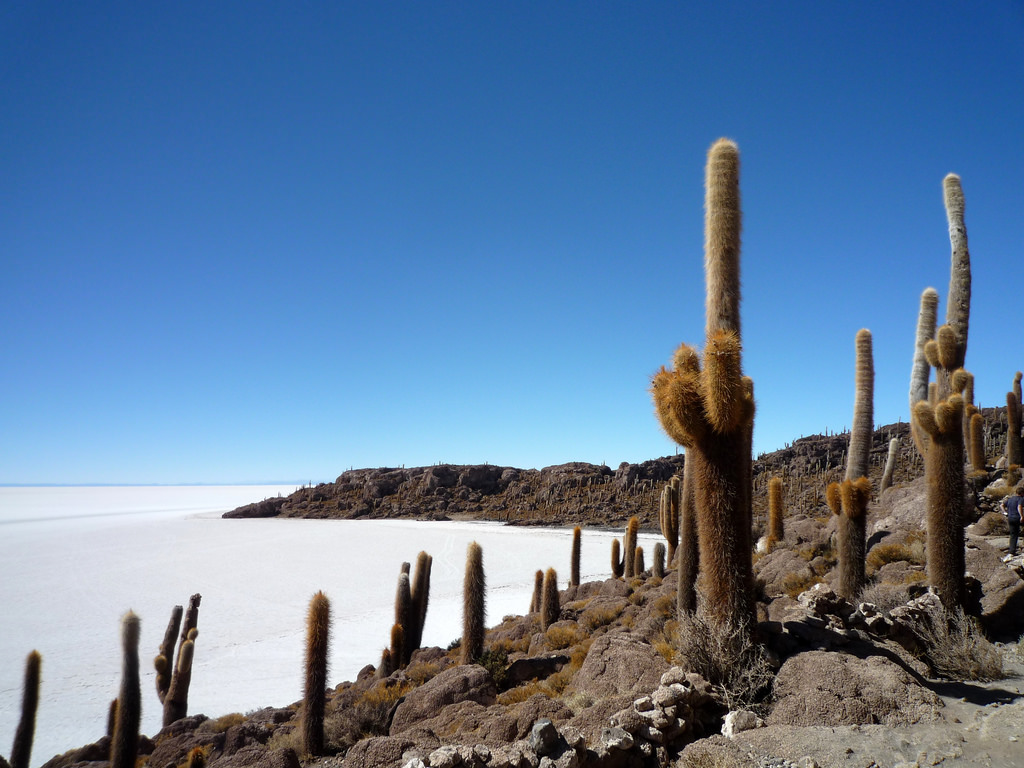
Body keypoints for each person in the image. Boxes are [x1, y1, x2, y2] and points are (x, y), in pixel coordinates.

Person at [1000, 483, 1023, 558]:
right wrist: (1022, 516)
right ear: (1022, 493)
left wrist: (1004, 512)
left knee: (1013, 535)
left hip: (1010, 518)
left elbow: (1001, 505)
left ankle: (1012, 551)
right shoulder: (1021, 499)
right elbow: (1019, 507)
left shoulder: (1010, 499)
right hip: (1017, 518)